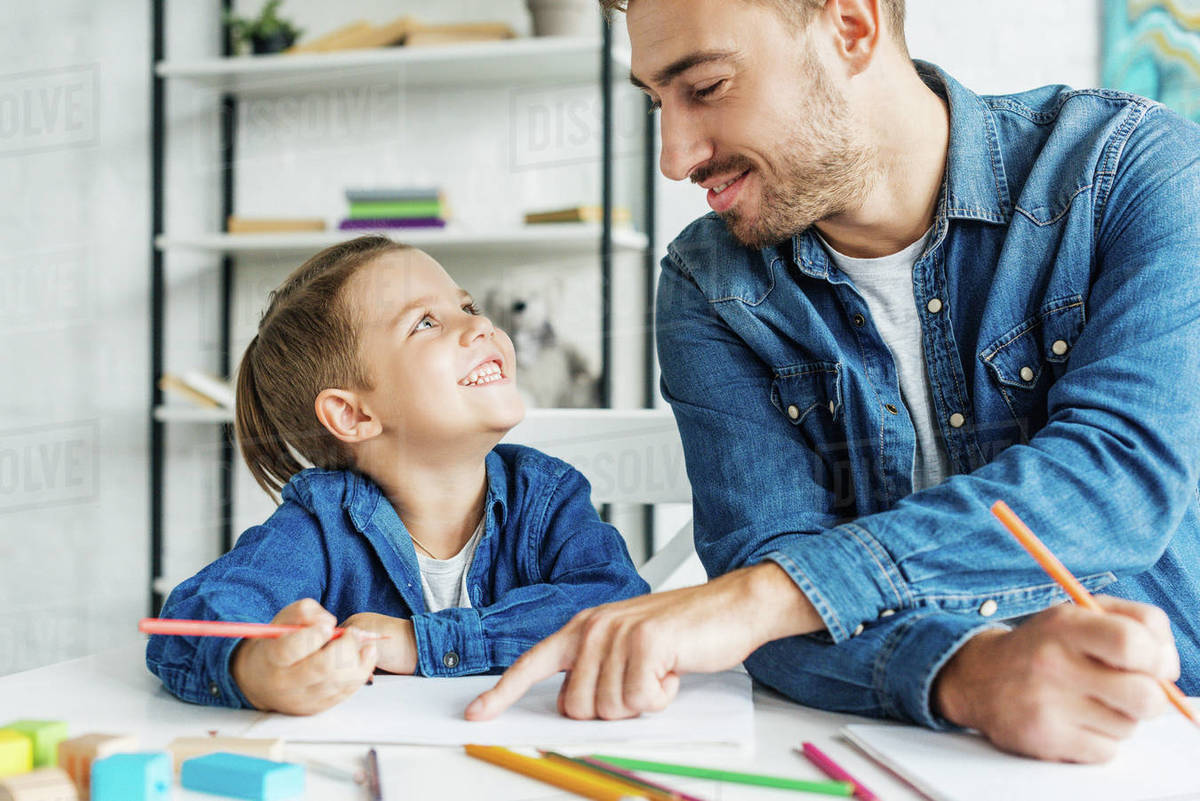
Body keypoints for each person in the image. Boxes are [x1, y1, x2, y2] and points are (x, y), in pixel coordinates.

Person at [465, 0, 1200, 763]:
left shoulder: (1136, 170)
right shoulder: (710, 283)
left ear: (852, 25)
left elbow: (1119, 479)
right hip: (901, 752)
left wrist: (766, 597)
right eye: (656, 102)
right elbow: (763, 576)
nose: (674, 156)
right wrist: (971, 674)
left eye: (707, 87)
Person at [145, 236, 648, 715]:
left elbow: (616, 606)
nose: (481, 326)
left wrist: (422, 642)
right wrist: (254, 670)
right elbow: (191, 622)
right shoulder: (322, 524)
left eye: (468, 307)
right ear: (353, 415)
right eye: (426, 323)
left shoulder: (548, 495)